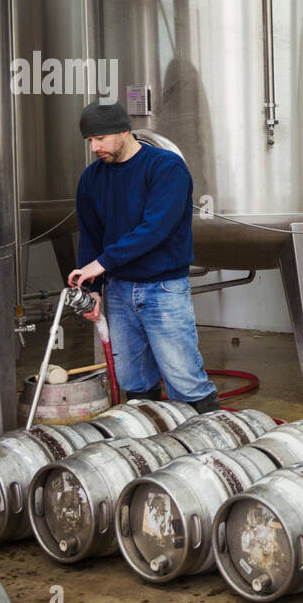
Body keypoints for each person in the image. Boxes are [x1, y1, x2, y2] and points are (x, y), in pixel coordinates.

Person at [66, 101, 219, 413]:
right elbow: (91, 237)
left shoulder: (166, 168)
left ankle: (207, 450)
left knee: (183, 377)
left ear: (124, 131)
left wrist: (103, 263)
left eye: (101, 139)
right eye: (90, 141)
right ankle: (149, 446)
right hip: (120, 290)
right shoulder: (92, 179)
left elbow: (155, 228)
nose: (95, 147)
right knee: (133, 380)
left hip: (163, 288)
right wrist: (93, 291)